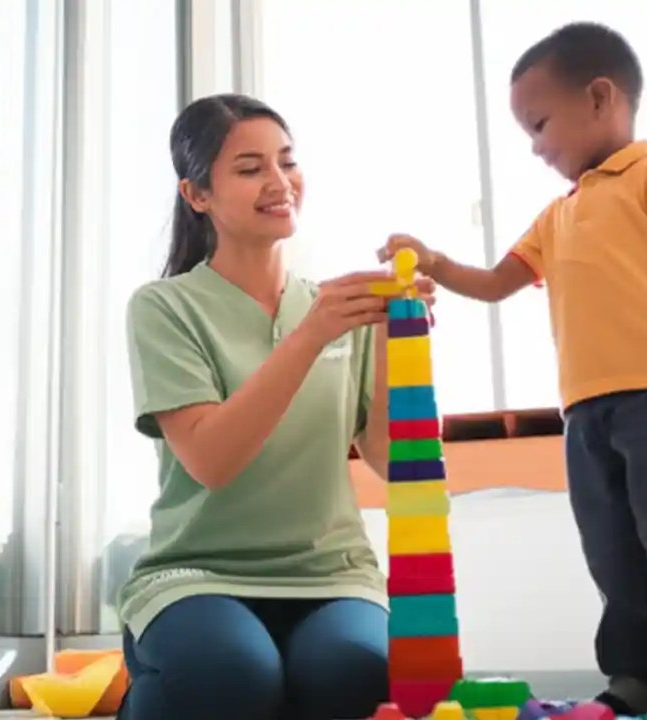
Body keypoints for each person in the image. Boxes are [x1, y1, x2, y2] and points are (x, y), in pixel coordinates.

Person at [380, 22, 647, 720]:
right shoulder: (558, 214)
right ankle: (634, 674)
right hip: (585, 411)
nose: (536, 145)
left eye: (540, 123)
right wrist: (431, 260)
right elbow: (492, 281)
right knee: (611, 549)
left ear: (601, 98)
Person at [119, 93, 432, 720]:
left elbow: (394, 464)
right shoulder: (164, 307)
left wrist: (402, 342)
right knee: (231, 674)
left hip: (334, 574)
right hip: (196, 575)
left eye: (286, 162)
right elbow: (211, 459)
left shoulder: (339, 309)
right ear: (197, 195)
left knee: (357, 674)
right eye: (249, 167)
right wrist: (310, 337)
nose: (279, 182)